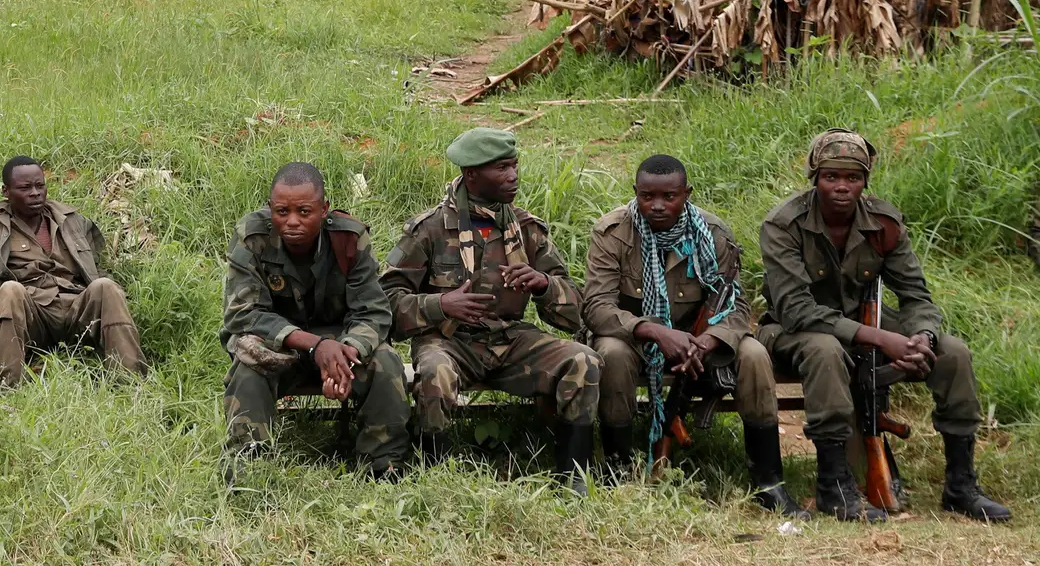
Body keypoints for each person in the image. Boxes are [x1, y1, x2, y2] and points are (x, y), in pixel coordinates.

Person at [758, 129, 1011, 523]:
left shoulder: (883, 223)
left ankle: (961, 485)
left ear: (865, 181)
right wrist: (883, 339)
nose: (842, 187)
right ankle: (834, 485)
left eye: (852, 178)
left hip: (867, 320)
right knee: (825, 350)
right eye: (831, 177)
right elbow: (795, 309)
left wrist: (921, 338)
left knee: (954, 353)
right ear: (814, 178)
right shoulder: (783, 224)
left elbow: (916, 295)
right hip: (794, 329)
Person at [382, 128, 600, 493]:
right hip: (450, 341)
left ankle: (574, 477)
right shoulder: (431, 229)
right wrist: (441, 304)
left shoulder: (526, 228)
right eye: (501, 168)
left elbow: (575, 310)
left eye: (514, 166)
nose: (513, 176)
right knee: (435, 372)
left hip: (511, 340)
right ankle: (434, 477)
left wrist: (543, 284)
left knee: (583, 360)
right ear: (472, 175)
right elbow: (386, 300)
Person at [584, 154, 803, 515]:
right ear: (635, 193)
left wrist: (710, 339)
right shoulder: (613, 232)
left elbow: (736, 306)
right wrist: (654, 331)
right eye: (646, 196)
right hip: (637, 338)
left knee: (754, 355)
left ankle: (768, 482)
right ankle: (618, 470)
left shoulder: (712, 233)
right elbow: (597, 307)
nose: (657, 206)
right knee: (611, 351)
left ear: (686, 193)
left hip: (701, 339)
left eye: (669, 197)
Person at [220, 162, 412, 480]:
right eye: (282, 212)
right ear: (270, 209)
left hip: (340, 342)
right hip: (280, 344)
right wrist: (316, 346)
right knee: (249, 360)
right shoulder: (253, 237)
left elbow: (373, 311)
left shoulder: (349, 239)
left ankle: (384, 463)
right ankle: (248, 462)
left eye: (304, 212)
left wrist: (346, 353)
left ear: (323, 210)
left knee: (385, 360)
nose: (292, 221)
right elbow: (243, 314)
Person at [0, 156, 146, 385]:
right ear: (6, 191)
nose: (35, 193)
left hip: (75, 308)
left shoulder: (71, 219)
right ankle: (5, 389)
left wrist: (112, 302)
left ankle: (130, 384)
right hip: (30, 313)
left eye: (40, 186)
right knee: (10, 289)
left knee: (107, 287)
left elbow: (96, 269)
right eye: (25, 188)